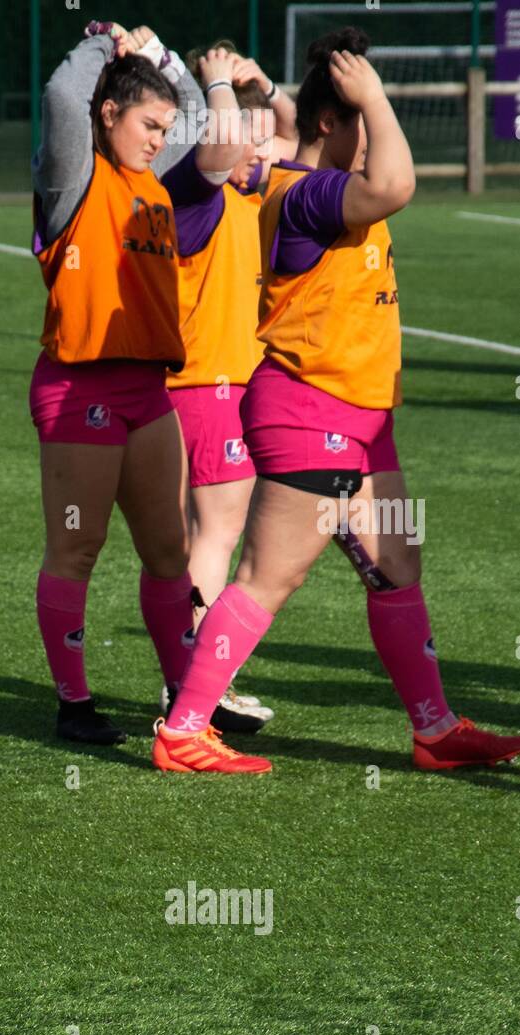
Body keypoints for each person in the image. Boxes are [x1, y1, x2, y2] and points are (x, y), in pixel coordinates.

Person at [153, 30, 520, 774]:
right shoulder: (315, 194)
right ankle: (183, 729)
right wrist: (374, 98)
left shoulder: (305, 174)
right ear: (338, 122)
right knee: (267, 576)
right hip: (309, 412)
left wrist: (302, 90)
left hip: (361, 417)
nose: (373, 133)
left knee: (396, 564)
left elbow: (299, 130)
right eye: (360, 118)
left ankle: (433, 729)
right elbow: (394, 186)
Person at [30, 21, 243, 746]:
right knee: (76, 550)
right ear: (108, 115)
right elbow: (63, 94)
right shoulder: (73, 177)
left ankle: (187, 697)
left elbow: (190, 116)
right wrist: (100, 40)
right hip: (79, 389)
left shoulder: (158, 183)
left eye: (162, 127)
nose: (158, 136)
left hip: (148, 395)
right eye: (143, 124)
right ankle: (73, 703)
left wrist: (159, 58)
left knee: (168, 555)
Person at [159, 41, 298, 734]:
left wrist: (262, 86)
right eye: (253, 141)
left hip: (207, 385)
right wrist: (217, 87)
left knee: (193, 538)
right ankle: (205, 684)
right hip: (206, 384)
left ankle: (189, 677)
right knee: (213, 536)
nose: (264, 152)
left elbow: (295, 130)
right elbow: (217, 150)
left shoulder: (247, 190)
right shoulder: (201, 185)